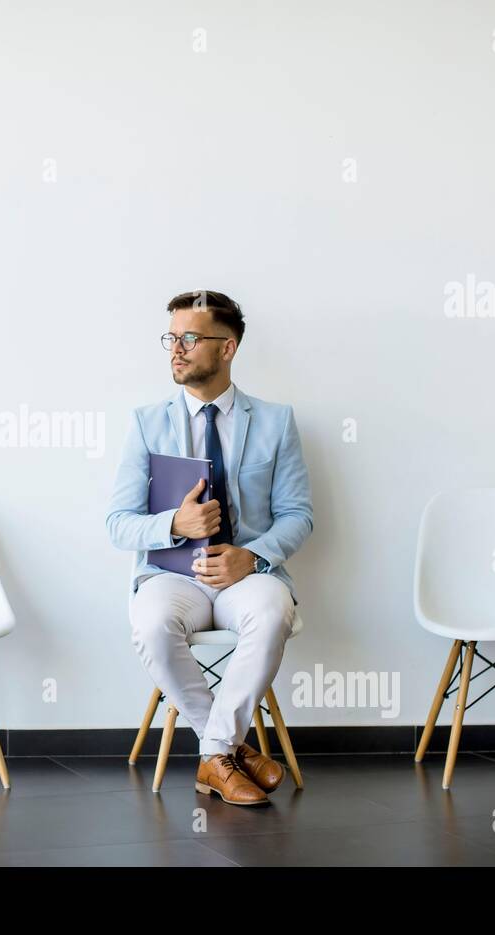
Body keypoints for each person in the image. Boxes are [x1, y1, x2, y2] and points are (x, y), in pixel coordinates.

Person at [106, 290, 313, 806]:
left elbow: (298, 515)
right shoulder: (145, 423)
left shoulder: (276, 421)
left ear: (228, 348)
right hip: (173, 577)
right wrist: (175, 523)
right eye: (171, 338)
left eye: (190, 338)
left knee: (272, 611)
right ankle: (226, 751)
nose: (176, 349)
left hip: (246, 575)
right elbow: (117, 524)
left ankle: (213, 755)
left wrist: (255, 557)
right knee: (151, 624)